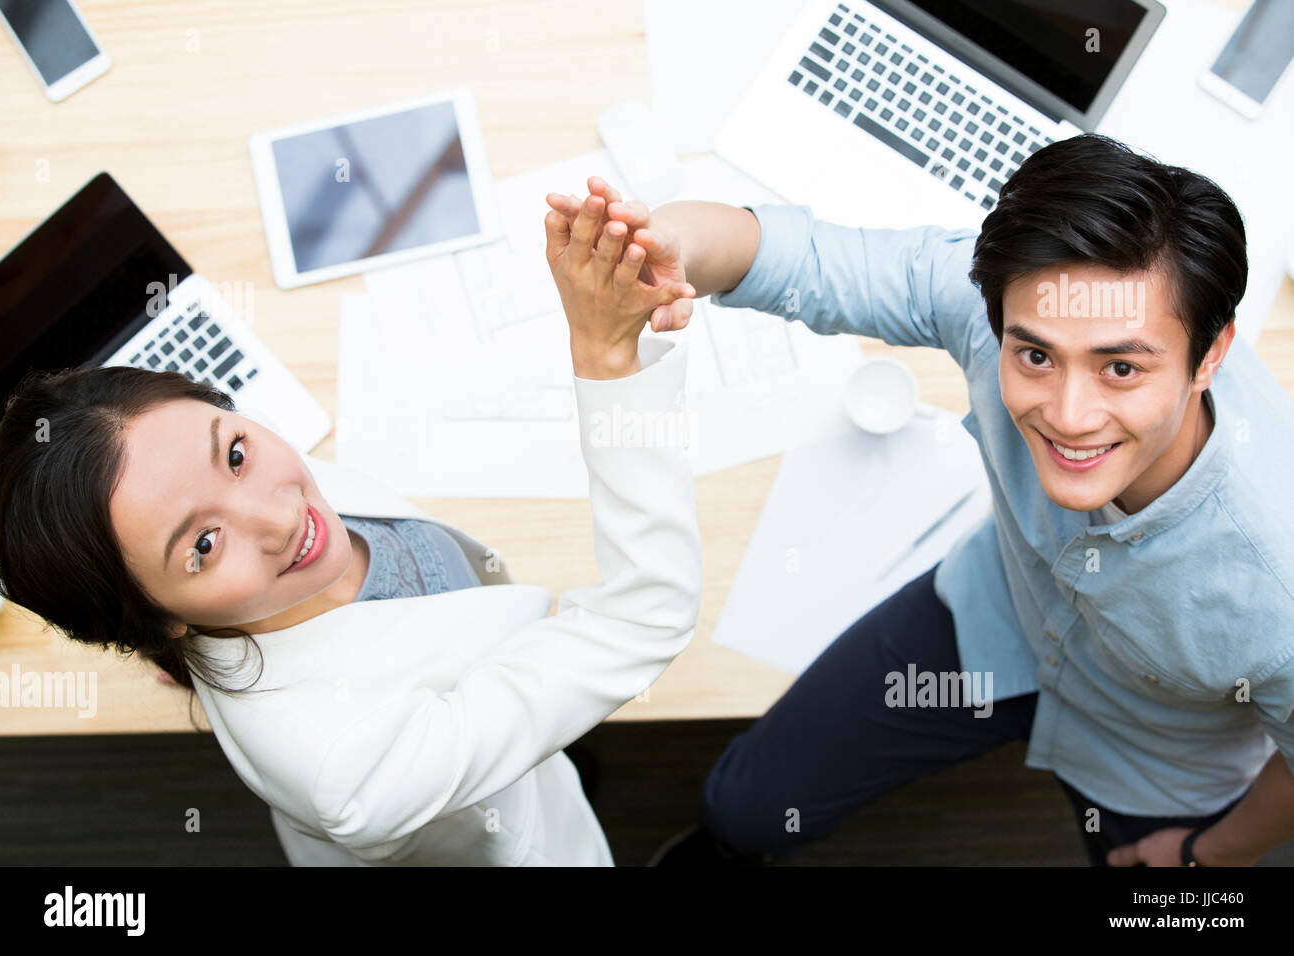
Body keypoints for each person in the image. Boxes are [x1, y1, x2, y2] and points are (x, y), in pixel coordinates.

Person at [548, 133, 1294, 867]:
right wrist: (666, 243)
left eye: (1121, 369)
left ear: (1211, 355)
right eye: (1035, 355)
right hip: (996, 615)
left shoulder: (1277, 579)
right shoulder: (1011, 306)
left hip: (1154, 763)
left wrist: (1209, 854)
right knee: (744, 808)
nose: (1069, 415)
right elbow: (796, 256)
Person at [0, 191, 701, 866]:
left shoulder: (237, 511)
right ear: (160, 619)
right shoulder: (351, 766)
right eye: (203, 546)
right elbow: (646, 617)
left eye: (234, 453)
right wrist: (607, 360)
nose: (278, 518)